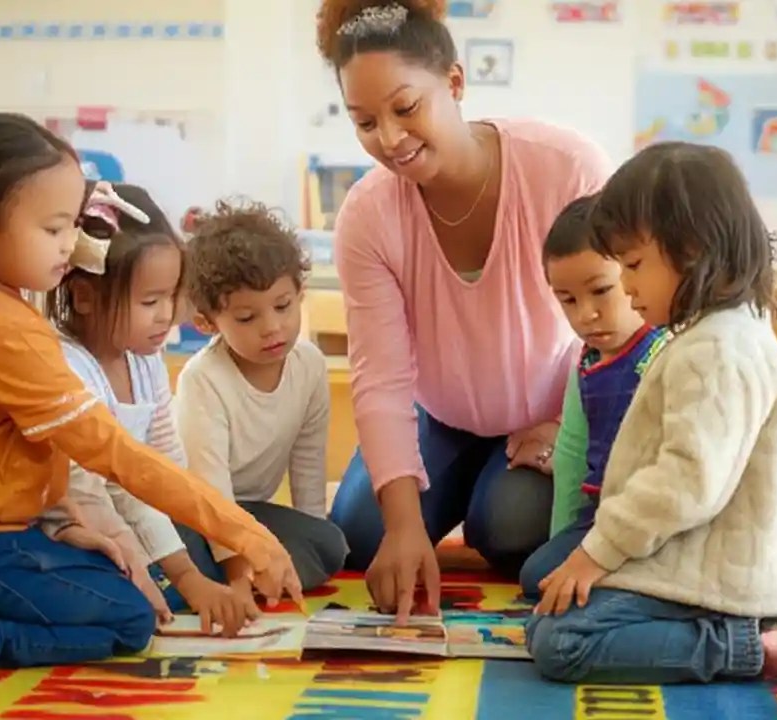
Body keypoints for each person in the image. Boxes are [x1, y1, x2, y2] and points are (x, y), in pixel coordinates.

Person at [0, 113, 301, 673]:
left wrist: (63, 525)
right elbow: (115, 455)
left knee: (118, 572)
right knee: (130, 618)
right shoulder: (3, 330)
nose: (71, 246)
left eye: (72, 227)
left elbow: (15, 457)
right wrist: (247, 535)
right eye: (53, 229)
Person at [525, 142, 777, 685]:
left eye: (635, 265)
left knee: (561, 641)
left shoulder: (716, 349)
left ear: (691, 249)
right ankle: (759, 632)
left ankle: (750, 645)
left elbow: (686, 481)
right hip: (718, 566)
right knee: (549, 613)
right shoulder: (725, 331)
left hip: (728, 586)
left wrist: (598, 553)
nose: (629, 284)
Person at [315, 0, 614, 620]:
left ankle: (487, 495)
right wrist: (402, 525)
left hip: (546, 417)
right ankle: (441, 494)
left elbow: (623, 323)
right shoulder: (368, 215)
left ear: (454, 83)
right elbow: (380, 376)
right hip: (441, 415)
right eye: (365, 122)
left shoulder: (565, 166)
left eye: (406, 108)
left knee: (509, 530)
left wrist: (570, 432)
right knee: (362, 536)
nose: (390, 139)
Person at [41, 181, 260, 637]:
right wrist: (184, 574)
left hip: (140, 515)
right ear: (83, 297)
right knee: (134, 606)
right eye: (149, 301)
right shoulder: (68, 368)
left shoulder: (144, 359)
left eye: (171, 296)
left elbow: (168, 469)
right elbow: (98, 498)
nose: (167, 315)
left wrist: (221, 552)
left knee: (288, 548)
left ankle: (178, 577)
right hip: (84, 526)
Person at [171, 199, 348, 593]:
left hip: (250, 515)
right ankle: (207, 579)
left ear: (300, 293)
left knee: (329, 544)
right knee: (181, 547)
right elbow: (209, 490)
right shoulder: (203, 379)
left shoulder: (309, 366)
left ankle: (245, 576)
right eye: (247, 318)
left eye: (283, 306)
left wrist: (311, 529)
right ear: (206, 322)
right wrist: (237, 568)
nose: (273, 328)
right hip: (191, 513)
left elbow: (307, 463)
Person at [517, 195, 670, 601]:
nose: (585, 314)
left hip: (659, 524)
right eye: (567, 300)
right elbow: (570, 455)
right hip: (599, 519)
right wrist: (564, 545)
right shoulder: (585, 363)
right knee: (539, 576)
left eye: (601, 291)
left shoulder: (666, 353)